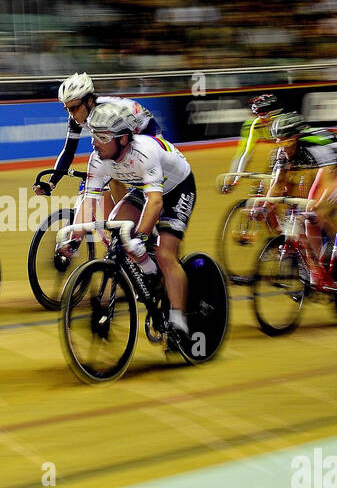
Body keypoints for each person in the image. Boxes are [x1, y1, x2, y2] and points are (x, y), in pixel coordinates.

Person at [82, 103, 197, 352]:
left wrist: (142, 237)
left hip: (177, 189)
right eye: (93, 136)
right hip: (144, 188)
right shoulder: (98, 158)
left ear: (123, 139)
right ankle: (148, 274)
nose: (95, 143)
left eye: (102, 137)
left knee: (165, 254)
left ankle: (178, 324)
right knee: (116, 226)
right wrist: (72, 239)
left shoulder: (144, 151)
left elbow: (156, 202)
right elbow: (88, 202)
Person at [36, 73, 160, 254]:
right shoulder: (78, 115)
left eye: (75, 108)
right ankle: (122, 228)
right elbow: (69, 151)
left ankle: (138, 229)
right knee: (99, 183)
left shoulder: (107, 113)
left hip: (146, 138)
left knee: (114, 174)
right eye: (67, 109)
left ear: (88, 101)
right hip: (119, 143)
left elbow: (118, 153)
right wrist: (53, 181)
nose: (72, 114)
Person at [262, 112, 337, 284]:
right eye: (278, 141)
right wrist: (265, 204)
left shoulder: (314, 147)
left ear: (297, 137)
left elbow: (328, 181)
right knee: (309, 217)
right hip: (329, 168)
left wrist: (318, 206)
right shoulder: (282, 152)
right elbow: (278, 184)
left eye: (286, 141)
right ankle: (318, 268)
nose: (282, 147)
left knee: (318, 211)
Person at [222, 93, 282, 192]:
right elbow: (245, 154)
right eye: (258, 115)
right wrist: (235, 178)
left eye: (263, 114)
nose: (261, 119)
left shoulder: (281, 120)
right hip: (278, 147)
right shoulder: (254, 124)